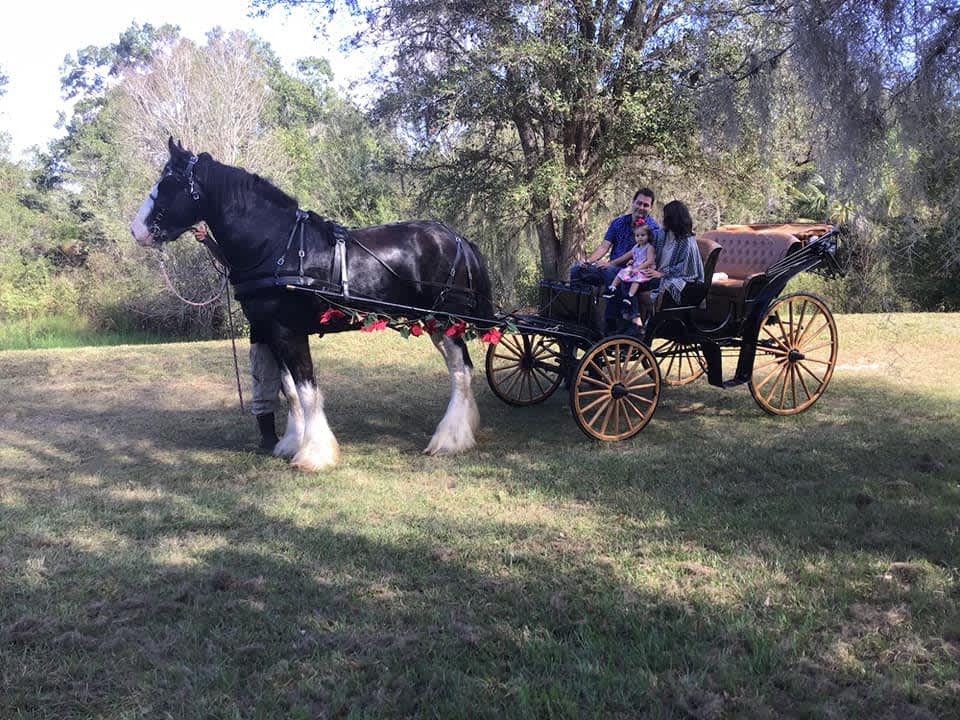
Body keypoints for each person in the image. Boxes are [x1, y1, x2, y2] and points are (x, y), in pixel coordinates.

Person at [191, 223, 281, 452]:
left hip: (288, 330)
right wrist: (208, 241)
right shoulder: (248, 258)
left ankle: (298, 435)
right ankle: (268, 439)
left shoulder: (279, 250)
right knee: (264, 382)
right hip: (263, 331)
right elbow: (230, 260)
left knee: (295, 385)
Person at [571, 187, 662, 290]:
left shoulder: (653, 230)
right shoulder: (618, 223)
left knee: (611, 273)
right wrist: (588, 261)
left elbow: (643, 255)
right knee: (577, 270)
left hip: (634, 272)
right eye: (639, 203)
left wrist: (610, 264)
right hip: (610, 267)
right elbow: (604, 246)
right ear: (633, 203)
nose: (641, 207)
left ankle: (621, 304)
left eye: (646, 205)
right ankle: (582, 303)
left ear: (651, 208)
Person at [641, 199, 704, 318]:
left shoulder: (687, 241)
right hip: (656, 273)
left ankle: (643, 325)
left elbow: (685, 269)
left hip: (675, 278)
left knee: (639, 286)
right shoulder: (662, 234)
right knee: (629, 281)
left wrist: (661, 274)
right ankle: (632, 320)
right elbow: (650, 251)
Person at [601, 219, 655, 318]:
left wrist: (638, 268)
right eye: (637, 236)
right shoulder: (636, 247)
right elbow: (634, 257)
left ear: (648, 236)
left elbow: (649, 261)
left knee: (636, 280)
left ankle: (629, 296)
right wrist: (632, 262)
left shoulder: (649, 247)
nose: (640, 238)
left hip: (643, 269)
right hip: (634, 267)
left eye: (643, 235)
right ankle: (612, 288)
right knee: (621, 273)